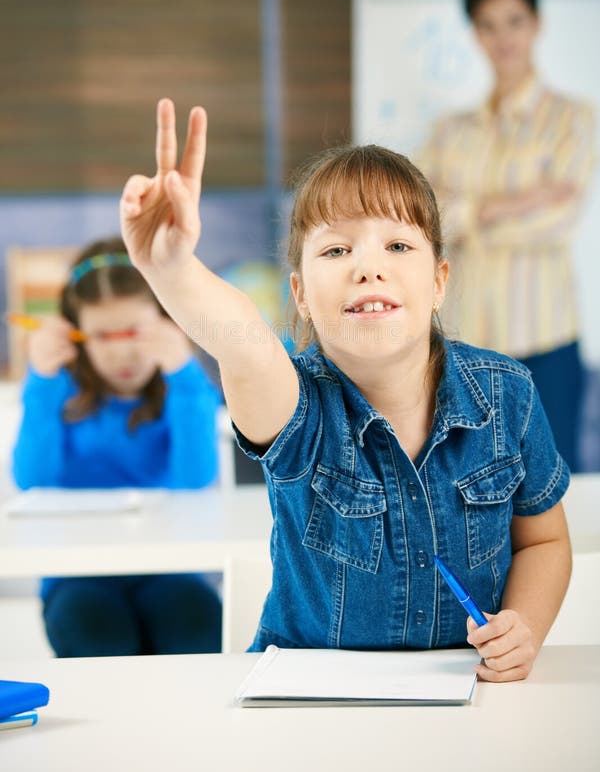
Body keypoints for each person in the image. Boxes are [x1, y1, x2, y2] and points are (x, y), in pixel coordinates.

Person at [120, 98, 572, 682]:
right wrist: (172, 270)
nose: (368, 266)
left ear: (438, 282)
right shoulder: (295, 402)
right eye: (337, 250)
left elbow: (544, 541)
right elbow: (242, 342)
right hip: (309, 704)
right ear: (302, 294)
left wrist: (522, 626)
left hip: (467, 698)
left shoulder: (507, 394)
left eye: (398, 246)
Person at [417, 0, 596, 473]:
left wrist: (466, 215)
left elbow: (557, 221)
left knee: (554, 490)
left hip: (547, 338)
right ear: (475, 33)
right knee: (472, 491)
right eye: (488, 25)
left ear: (536, 24)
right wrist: (517, 200)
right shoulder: (451, 132)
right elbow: (426, 220)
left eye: (514, 21)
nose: (503, 37)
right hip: (468, 344)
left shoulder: (574, 118)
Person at [12, 236, 223, 657]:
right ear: (75, 333)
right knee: (96, 638)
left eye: (136, 332)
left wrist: (184, 375)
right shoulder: (60, 389)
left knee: (197, 630)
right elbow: (32, 480)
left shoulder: (181, 390)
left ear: (166, 322)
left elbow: (197, 476)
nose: (121, 350)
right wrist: (41, 382)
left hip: (170, 566)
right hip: (77, 573)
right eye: (102, 335)